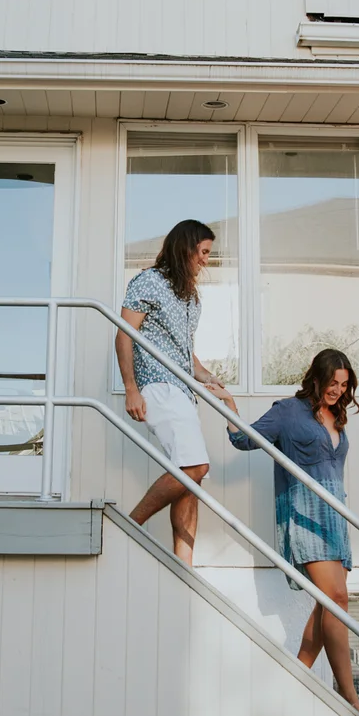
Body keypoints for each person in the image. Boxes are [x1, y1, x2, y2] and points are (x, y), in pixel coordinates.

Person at [209, 350, 359, 714]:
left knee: (327, 603)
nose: (338, 391)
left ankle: (293, 678)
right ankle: (350, 696)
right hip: (304, 511)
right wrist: (230, 404)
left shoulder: (337, 416)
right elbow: (245, 440)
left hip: (335, 517)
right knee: (336, 600)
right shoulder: (287, 411)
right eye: (333, 383)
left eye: (344, 386)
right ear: (317, 376)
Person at [116, 219, 223, 565]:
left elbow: (185, 355)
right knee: (195, 467)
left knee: (190, 481)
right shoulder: (149, 281)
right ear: (187, 248)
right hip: (158, 385)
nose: (207, 259)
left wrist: (210, 378)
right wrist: (131, 389)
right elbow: (123, 335)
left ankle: (183, 565)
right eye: (204, 252)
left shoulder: (191, 297)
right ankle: (129, 526)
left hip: (183, 390)